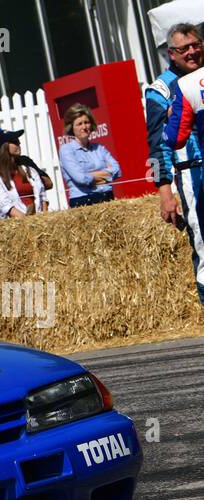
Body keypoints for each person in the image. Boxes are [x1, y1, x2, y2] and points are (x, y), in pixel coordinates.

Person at [147, 21, 204, 303]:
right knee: (203, 244)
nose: (192, 52)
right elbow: (156, 144)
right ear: (171, 53)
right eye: (185, 49)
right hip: (191, 174)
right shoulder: (159, 90)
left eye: (197, 45)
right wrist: (164, 192)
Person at [0, 129, 53, 223]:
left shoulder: (28, 168)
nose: (19, 143)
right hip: (19, 225)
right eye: (14, 141)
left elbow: (43, 195)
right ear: (4, 147)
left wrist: (43, 219)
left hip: (39, 221)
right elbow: (6, 207)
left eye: (18, 141)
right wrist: (30, 224)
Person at [59, 103, 120, 207]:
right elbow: (81, 179)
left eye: (86, 122)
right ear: (71, 128)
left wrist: (90, 175)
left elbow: (117, 170)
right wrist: (105, 173)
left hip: (107, 197)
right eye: (79, 124)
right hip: (83, 201)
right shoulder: (66, 150)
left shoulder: (99, 148)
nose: (84, 127)